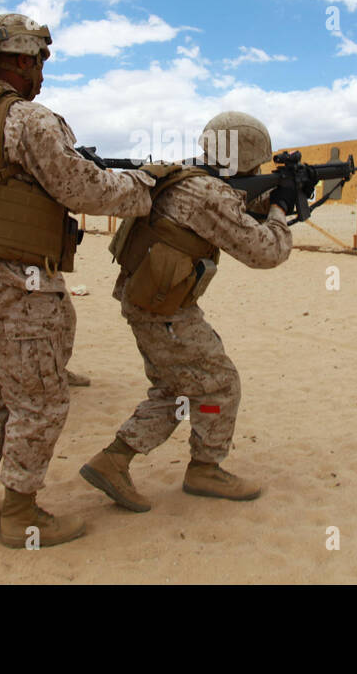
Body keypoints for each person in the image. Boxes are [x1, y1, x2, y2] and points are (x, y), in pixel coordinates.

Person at [0, 13, 155, 549]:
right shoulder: (28, 120)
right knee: (40, 398)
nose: (41, 73)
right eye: (38, 61)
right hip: (14, 275)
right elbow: (82, 189)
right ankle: (22, 513)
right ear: (21, 61)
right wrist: (143, 188)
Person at [79, 112, 293, 513]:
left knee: (177, 388)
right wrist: (282, 209)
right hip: (165, 312)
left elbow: (230, 213)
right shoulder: (210, 195)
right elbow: (267, 252)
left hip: (151, 301)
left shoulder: (185, 177)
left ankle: (113, 461)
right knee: (219, 382)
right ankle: (205, 469)